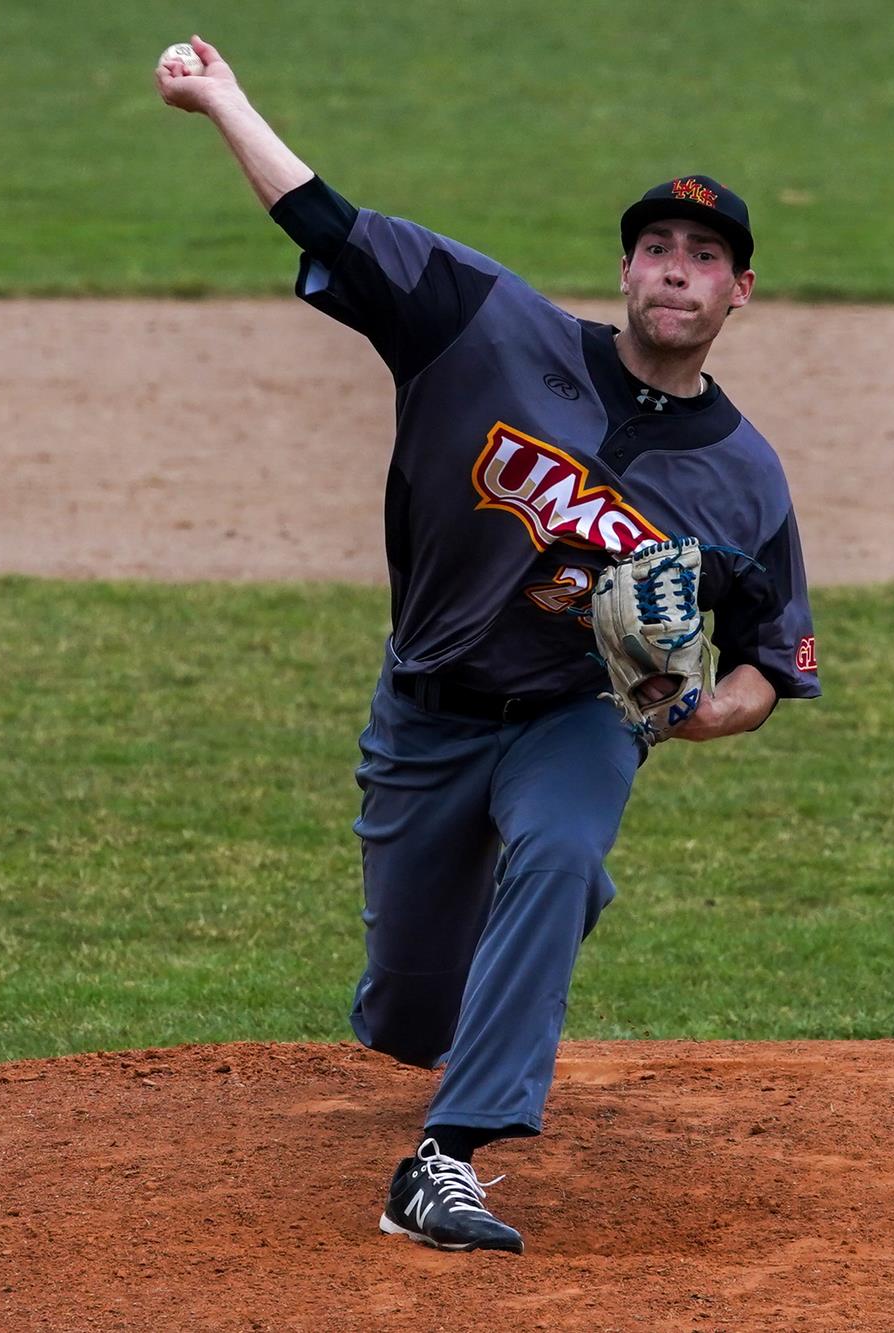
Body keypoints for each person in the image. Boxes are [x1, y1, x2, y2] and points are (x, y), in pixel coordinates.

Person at [158, 36, 820, 1253]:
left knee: (560, 840)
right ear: (625, 269)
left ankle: (444, 1161)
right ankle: (543, 903)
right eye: (659, 249)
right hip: (426, 708)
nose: (678, 270)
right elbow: (330, 223)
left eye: (706, 257)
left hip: (580, 716)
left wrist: (720, 709)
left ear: (738, 296)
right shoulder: (485, 327)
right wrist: (222, 101)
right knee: (410, 1016)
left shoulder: (744, 477)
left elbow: (773, 653)